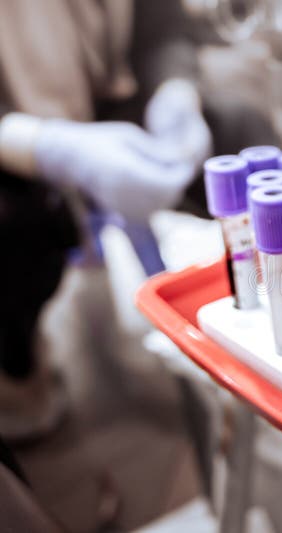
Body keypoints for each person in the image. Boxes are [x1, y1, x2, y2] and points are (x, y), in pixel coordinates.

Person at [0, 1, 214, 440]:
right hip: (15, 142)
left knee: (237, 124)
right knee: (19, 223)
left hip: (108, 102)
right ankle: (18, 375)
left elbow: (163, 27)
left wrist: (175, 91)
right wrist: (45, 146)